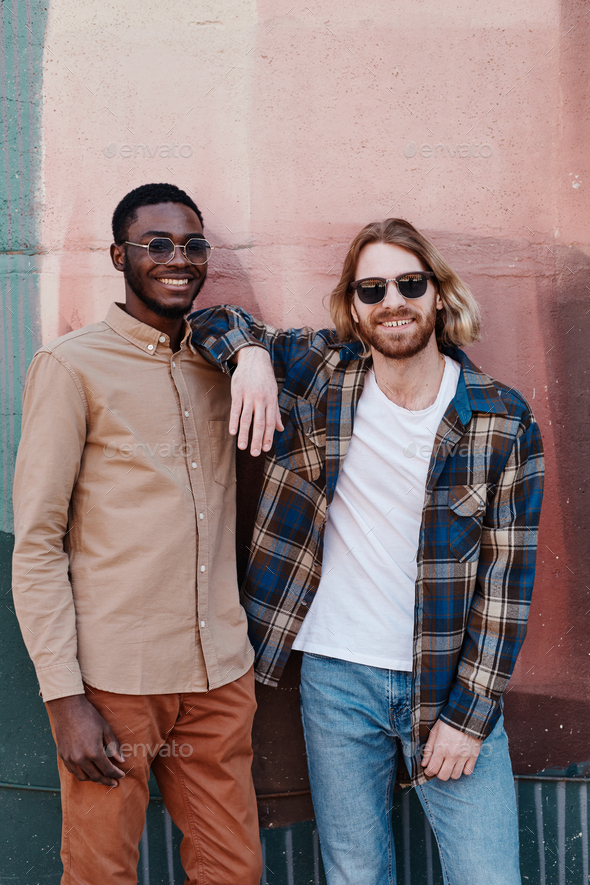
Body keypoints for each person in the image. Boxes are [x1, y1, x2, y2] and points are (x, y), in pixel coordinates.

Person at [189, 218, 544, 885]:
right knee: (355, 874)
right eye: (372, 288)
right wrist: (253, 357)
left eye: (410, 283)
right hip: (337, 677)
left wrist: (466, 721)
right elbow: (210, 321)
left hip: (447, 685)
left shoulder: (501, 419)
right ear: (353, 305)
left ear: (438, 294)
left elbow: (506, 585)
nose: (393, 301)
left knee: (489, 876)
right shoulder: (326, 373)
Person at [11, 182, 280, 885]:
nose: (176, 258)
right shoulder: (72, 366)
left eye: (192, 245)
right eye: (155, 244)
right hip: (113, 683)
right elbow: (37, 541)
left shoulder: (221, 360)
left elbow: (292, 344)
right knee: (100, 874)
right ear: (118, 255)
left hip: (220, 671)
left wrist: (250, 351)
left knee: (235, 871)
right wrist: (63, 696)